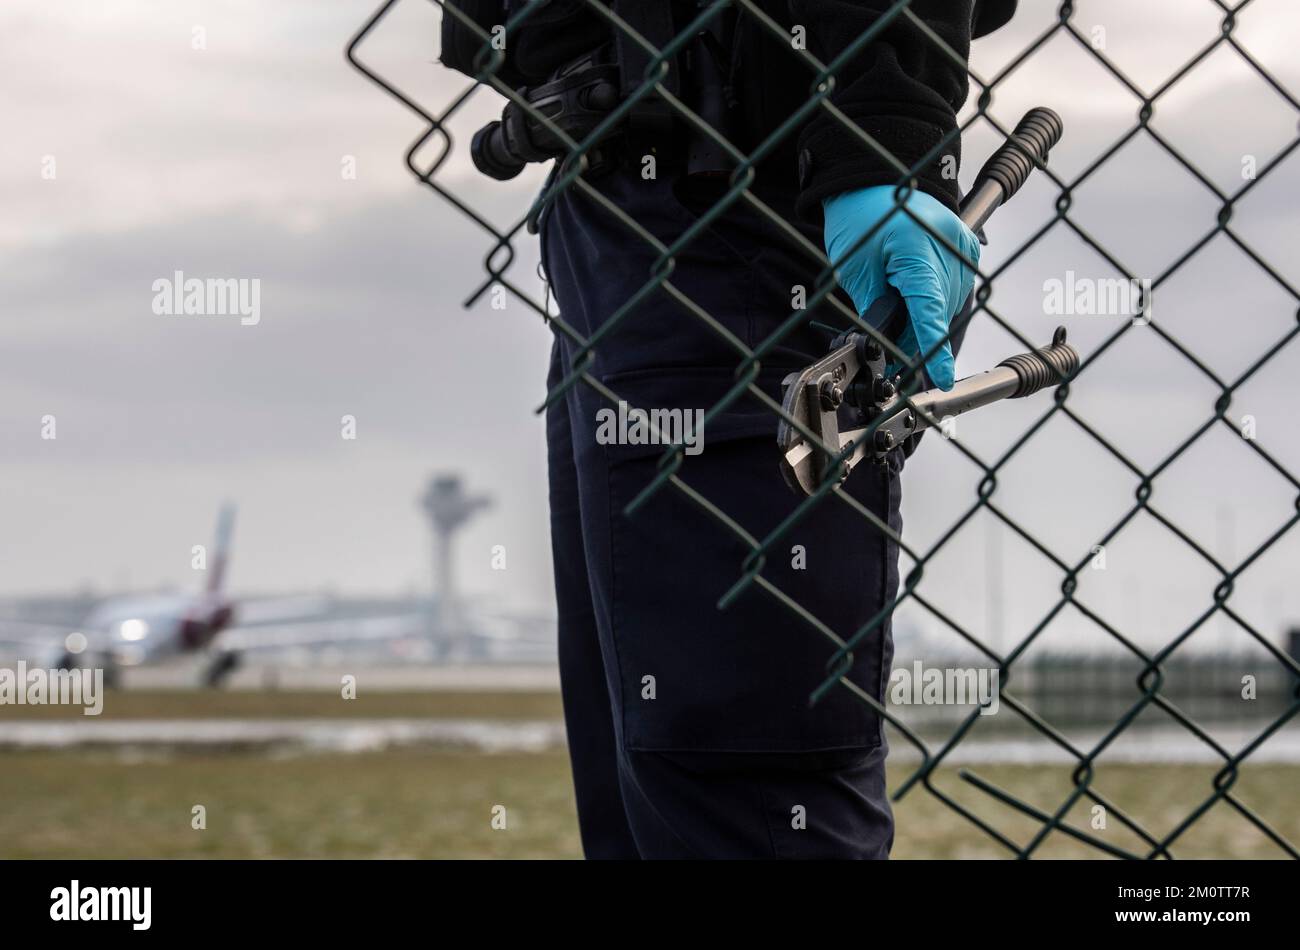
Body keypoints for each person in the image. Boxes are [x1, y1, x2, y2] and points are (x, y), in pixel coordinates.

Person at [442, 0, 1016, 858]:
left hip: (751, 207)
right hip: (613, 219)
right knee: (653, 793)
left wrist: (884, 135)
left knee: (742, 800)